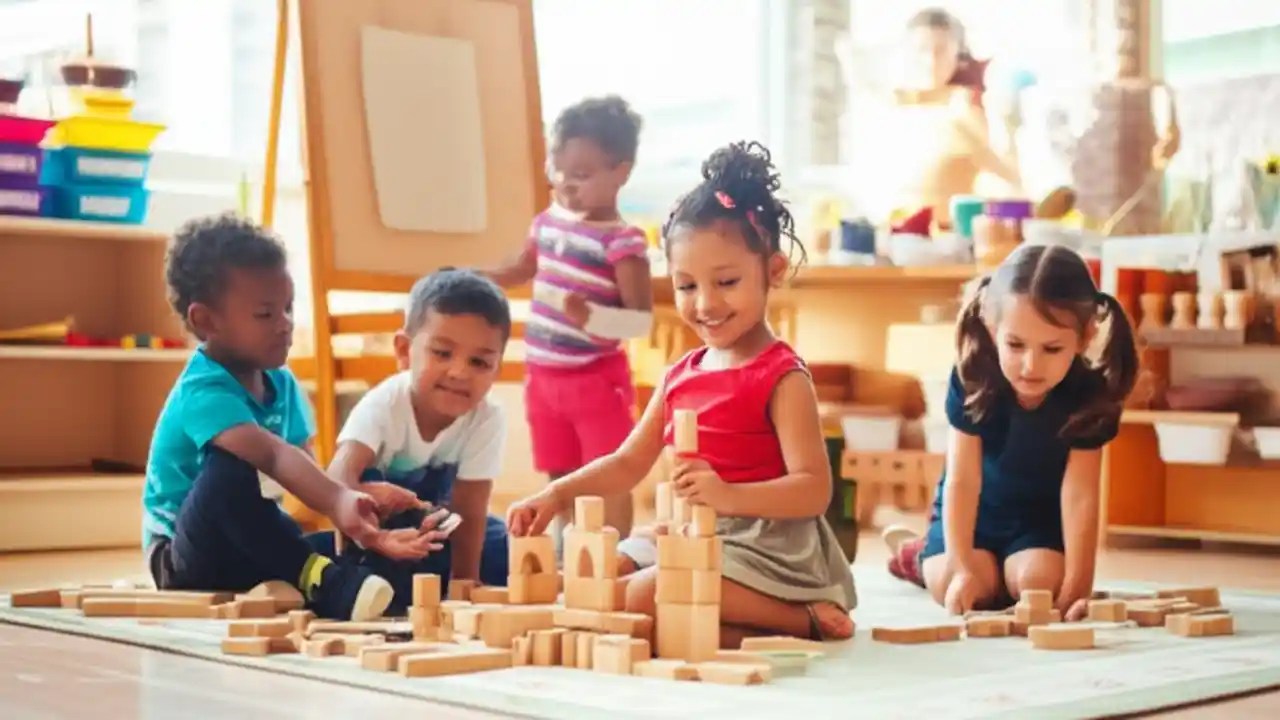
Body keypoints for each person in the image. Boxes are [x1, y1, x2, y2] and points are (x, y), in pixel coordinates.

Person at [506, 141, 856, 644]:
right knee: (602, 584)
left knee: (644, 597)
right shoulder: (681, 375)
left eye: (727, 281)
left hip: (768, 549)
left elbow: (813, 490)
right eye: (687, 286)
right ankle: (715, 629)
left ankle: (802, 617)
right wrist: (554, 494)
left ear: (773, 272)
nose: (706, 303)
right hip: (693, 532)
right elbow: (628, 463)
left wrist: (727, 495)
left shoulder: (781, 376)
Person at [143, 213, 441, 621]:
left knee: (381, 524)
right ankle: (323, 580)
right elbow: (273, 457)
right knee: (231, 469)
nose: (285, 324)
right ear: (205, 321)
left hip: (254, 544)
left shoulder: (282, 385)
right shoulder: (202, 391)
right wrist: (337, 498)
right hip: (186, 558)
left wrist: (361, 498)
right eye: (266, 315)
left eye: (288, 308)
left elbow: (303, 475)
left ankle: (351, 580)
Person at [885, 243, 1138, 621]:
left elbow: (1080, 495)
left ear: (1085, 336)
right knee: (957, 588)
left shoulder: (1090, 394)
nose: (1030, 365)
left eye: (1052, 349)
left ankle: (991, 568)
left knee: (1039, 586)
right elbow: (963, 481)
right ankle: (919, 557)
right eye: (1015, 345)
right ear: (991, 327)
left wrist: (1079, 584)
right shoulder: (973, 377)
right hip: (974, 514)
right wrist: (959, 566)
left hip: (1037, 522)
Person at [485, 95, 653, 553]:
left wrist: (592, 317)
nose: (568, 185)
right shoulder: (547, 224)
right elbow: (521, 269)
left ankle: (616, 558)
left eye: (582, 176)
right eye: (559, 173)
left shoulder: (623, 242)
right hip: (543, 378)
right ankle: (567, 557)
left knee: (607, 473)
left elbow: (640, 323)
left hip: (596, 381)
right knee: (559, 474)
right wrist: (473, 275)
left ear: (621, 172)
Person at [325, 269, 512, 610]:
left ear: (497, 369)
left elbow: (470, 510)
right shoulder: (384, 404)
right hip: (378, 536)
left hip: (437, 532)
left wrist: (464, 585)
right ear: (404, 350)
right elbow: (335, 481)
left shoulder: (487, 417)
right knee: (379, 571)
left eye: (479, 362)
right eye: (442, 353)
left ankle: (431, 581)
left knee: (503, 545)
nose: (459, 372)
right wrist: (366, 504)